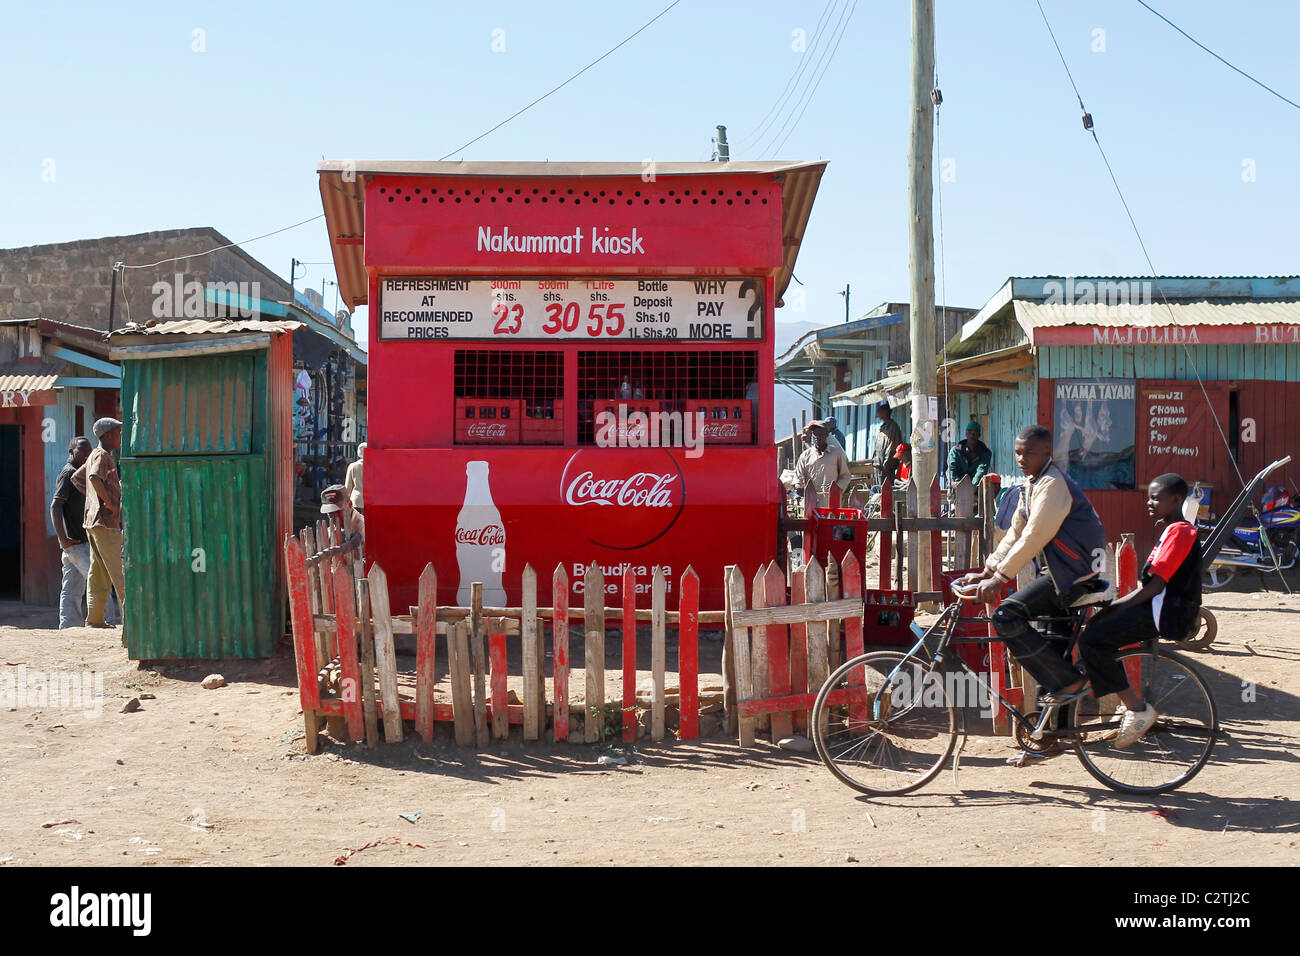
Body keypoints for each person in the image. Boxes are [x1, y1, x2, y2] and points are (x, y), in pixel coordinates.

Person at [953, 425, 1108, 705]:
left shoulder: (1053, 484)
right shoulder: (1032, 484)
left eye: (1029, 454)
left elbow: (1035, 535)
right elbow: (1015, 531)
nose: (1022, 459)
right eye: (1018, 453)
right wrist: (987, 570)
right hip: (1061, 573)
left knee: (1006, 617)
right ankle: (1052, 731)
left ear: (1047, 453)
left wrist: (1000, 579)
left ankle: (1070, 682)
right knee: (1052, 653)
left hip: (1073, 574)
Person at [1052, 473, 1201, 747]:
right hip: (1157, 607)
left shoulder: (1180, 531)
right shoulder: (1171, 530)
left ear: (1176, 499)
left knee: (1091, 641)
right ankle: (1127, 702)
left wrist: (1114, 607)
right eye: (1148, 498)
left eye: (1156, 498)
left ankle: (1136, 709)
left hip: (1164, 612)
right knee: (1097, 635)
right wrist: (1110, 607)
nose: (1149, 503)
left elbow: (1154, 588)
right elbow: (1148, 585)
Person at [80, 418, 126, 628]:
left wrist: (93, 500)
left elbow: (77, 479)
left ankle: (95, 619)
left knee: (98, 572)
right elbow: (92, 478)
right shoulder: (102, 455)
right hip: (105, 523)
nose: (120, 436)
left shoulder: (93, 455)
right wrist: (108, 503)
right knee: (120, 571)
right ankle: (131, 623)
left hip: (93, 522)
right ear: (107, 435)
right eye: (118, 432)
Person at [50, 436, 92, 629]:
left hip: (79, 542)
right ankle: (105, 622)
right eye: (82, 450)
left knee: (73, 587)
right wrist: (63, 539)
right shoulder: (69, 473)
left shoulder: (80, 473)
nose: (86, 454)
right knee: (97, 582)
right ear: (71, 451)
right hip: (75, 543)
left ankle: (68, 628)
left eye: (88, 450)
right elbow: (55, 506)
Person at [793, 419, 852, 509]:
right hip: (810, 503)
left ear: (827, 435)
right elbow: (798, 477)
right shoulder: (805, 456)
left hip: (831, 503)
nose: (817, 437)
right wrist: (798, 487)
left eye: (821, 434)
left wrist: (837, 489)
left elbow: (845, 476)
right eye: (815, 434)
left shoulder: (836, 454)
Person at [948, 421, 992, 486]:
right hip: (956, 487)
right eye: (969, 432)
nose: (972, 435)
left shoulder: (985, 452)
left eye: (975, 433)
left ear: (979, 435)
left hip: (976, 489)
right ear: (966, 434)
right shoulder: (956, 451)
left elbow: (981, 471)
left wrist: (971, 487)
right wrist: (957, 484)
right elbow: (951, 469)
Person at [873, 401, 902, 484]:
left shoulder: (893, 427)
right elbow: (878, 446)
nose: (878, 414)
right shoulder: (883, 427)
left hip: (886, 466)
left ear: (885, 413)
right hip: (878, 464)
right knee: (878, 490)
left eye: (879, 412)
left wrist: (887, 463)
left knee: (886, 489)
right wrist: (874, 459)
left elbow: (892, 446)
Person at [345, 442, 366, 512]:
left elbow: (348, 487)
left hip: (356, 500)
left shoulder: (352, 466)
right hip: (371, 500)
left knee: (357, 522)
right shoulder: (375, 466)